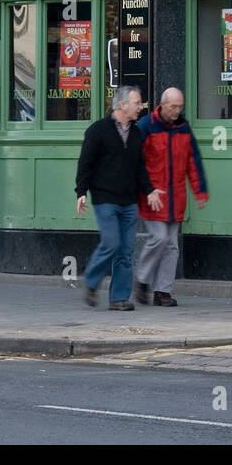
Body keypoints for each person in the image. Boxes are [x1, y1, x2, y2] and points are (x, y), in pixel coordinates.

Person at [75, 86, 158, 310]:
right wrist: (81, 192)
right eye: (137, 103)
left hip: (129, 200)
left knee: (126, 251)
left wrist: (149, 190)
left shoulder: (137, 133)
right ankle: (92, 283)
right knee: (111, 243)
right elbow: (85, 164)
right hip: (105, 199)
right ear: (122, 105)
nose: (140, 107)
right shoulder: (98, 130)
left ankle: (119, 298)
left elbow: (140, 167)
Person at [133, 87, 209, 307]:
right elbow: (135, 161)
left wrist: (200, 191)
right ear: (162, 104)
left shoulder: (184, 128)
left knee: (172, 246)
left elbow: (193, 162)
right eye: (173, 106)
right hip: (153, 195)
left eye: (180, 107)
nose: (177, 111)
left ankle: (162, 291)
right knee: (160, 238)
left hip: (175, 197)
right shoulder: (146, 125)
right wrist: (143, 189)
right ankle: (142, 279)